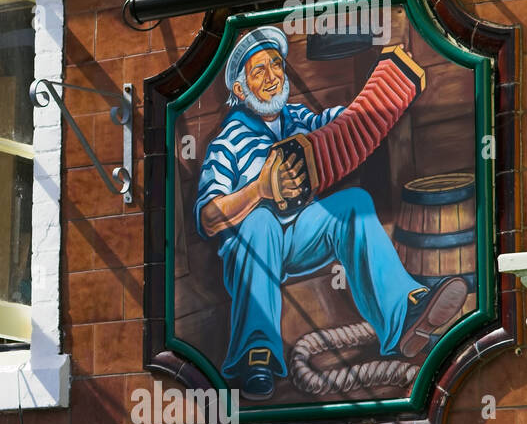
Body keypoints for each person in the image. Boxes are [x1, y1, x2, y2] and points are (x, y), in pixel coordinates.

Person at [194, 26, 467, 400]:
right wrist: (259, 190)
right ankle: (256, 354)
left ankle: (403, 312)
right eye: (260, 71)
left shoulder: (296, 118)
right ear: (240, 90)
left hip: (301, 238)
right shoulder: (227, 143)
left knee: (354, 203)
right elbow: (209, 217)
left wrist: (385, 95)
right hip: (252, 252)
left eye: (276, 65)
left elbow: (341, 126)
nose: (273, 76)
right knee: (260, 222)